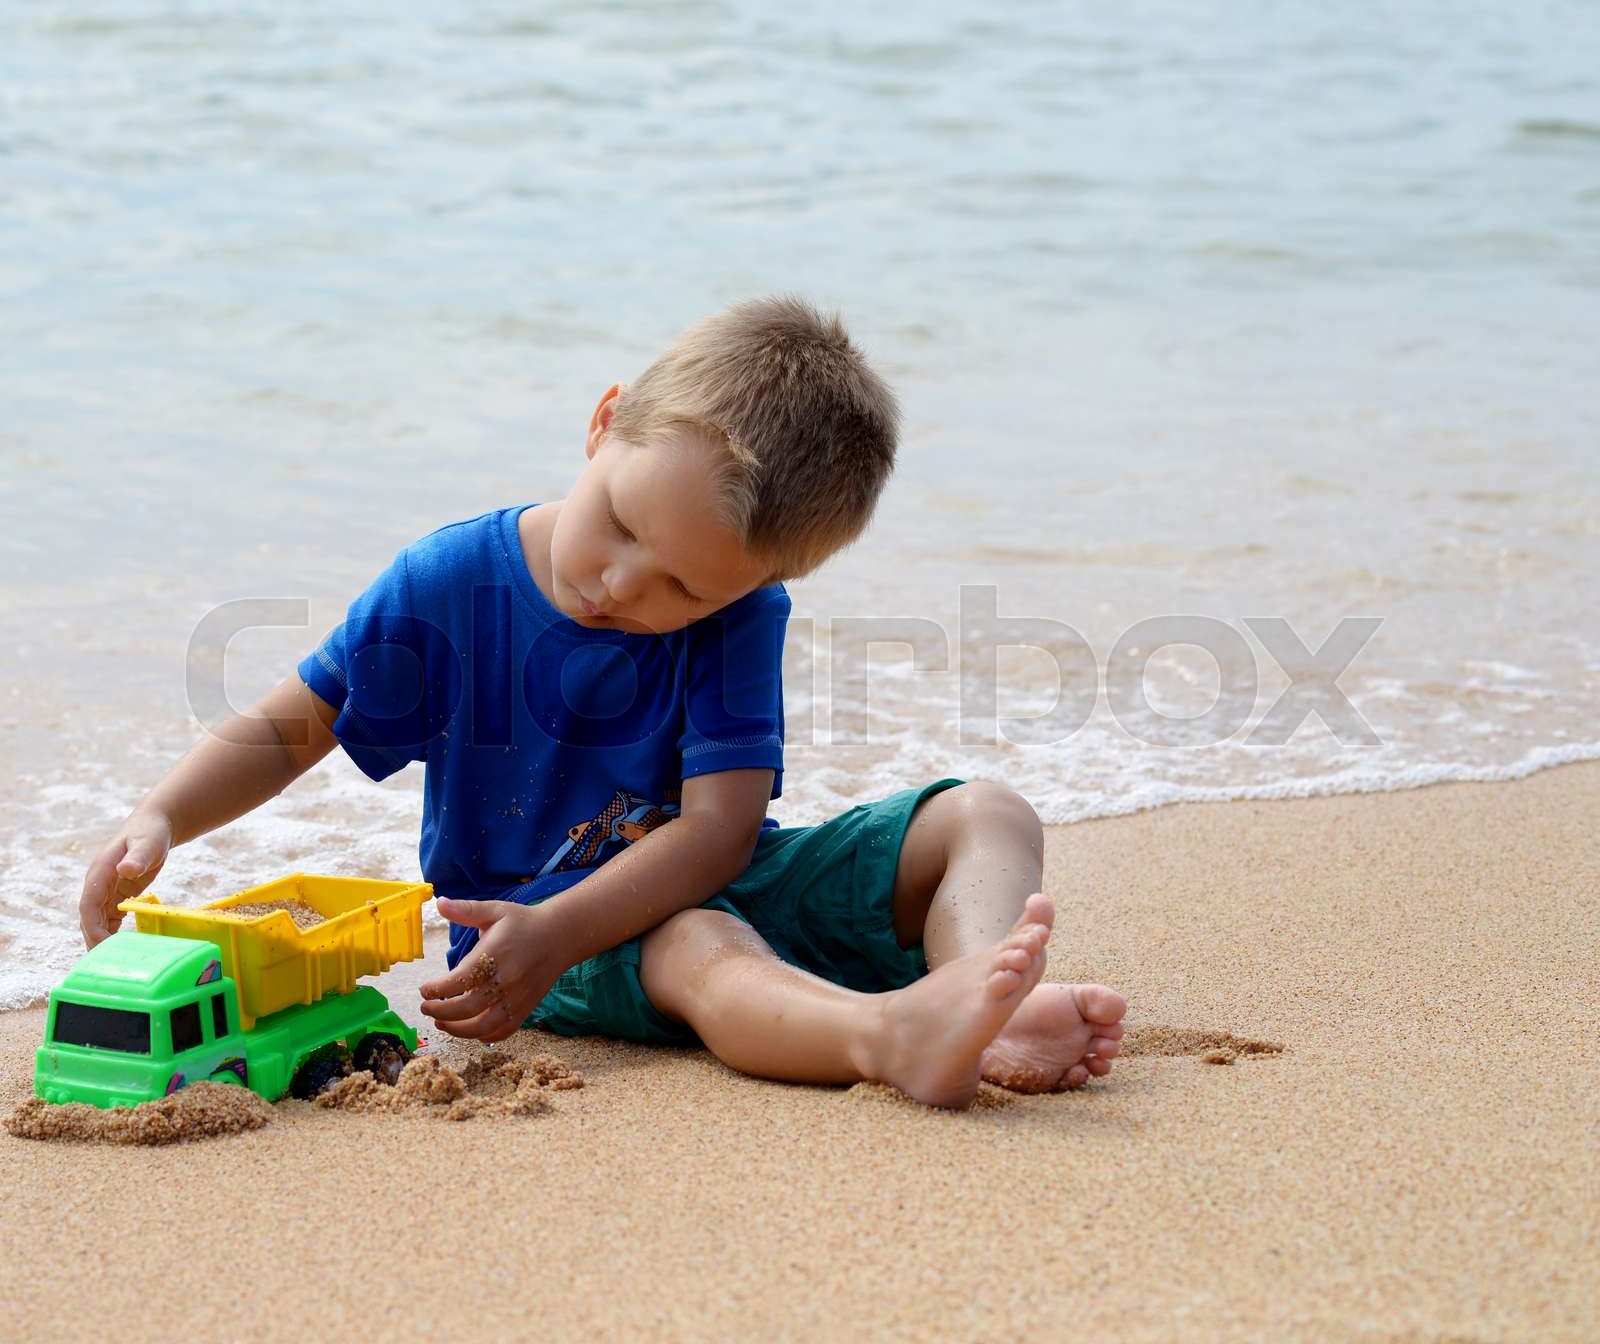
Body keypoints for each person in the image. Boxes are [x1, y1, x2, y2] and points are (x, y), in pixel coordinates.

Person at [78, 296, 1125, 1109]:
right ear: (603, 424)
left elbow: (720, 833)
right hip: (537, 932)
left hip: (714, 875)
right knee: (698, 946)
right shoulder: (451, 583)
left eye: (685, 587)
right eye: (621, 524)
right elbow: (295, 720)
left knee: (985, 812)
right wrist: (161, 814)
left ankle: (978, 993)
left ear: (750, 585)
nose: (625, 585)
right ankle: (884, 1034)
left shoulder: (740, 613)